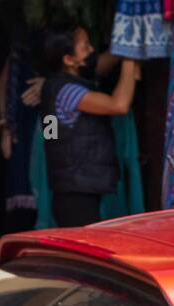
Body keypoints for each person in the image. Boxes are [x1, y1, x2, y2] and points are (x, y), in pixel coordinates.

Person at [38, 25, 140, 228]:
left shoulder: (54, 86)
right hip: (78, 194)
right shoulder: (69, 91)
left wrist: (120, 47)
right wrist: (130, 60)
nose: (92, 50)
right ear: (68, 60)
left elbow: (98, 65)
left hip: (69, 188)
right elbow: (118, 105)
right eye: (85, 47)